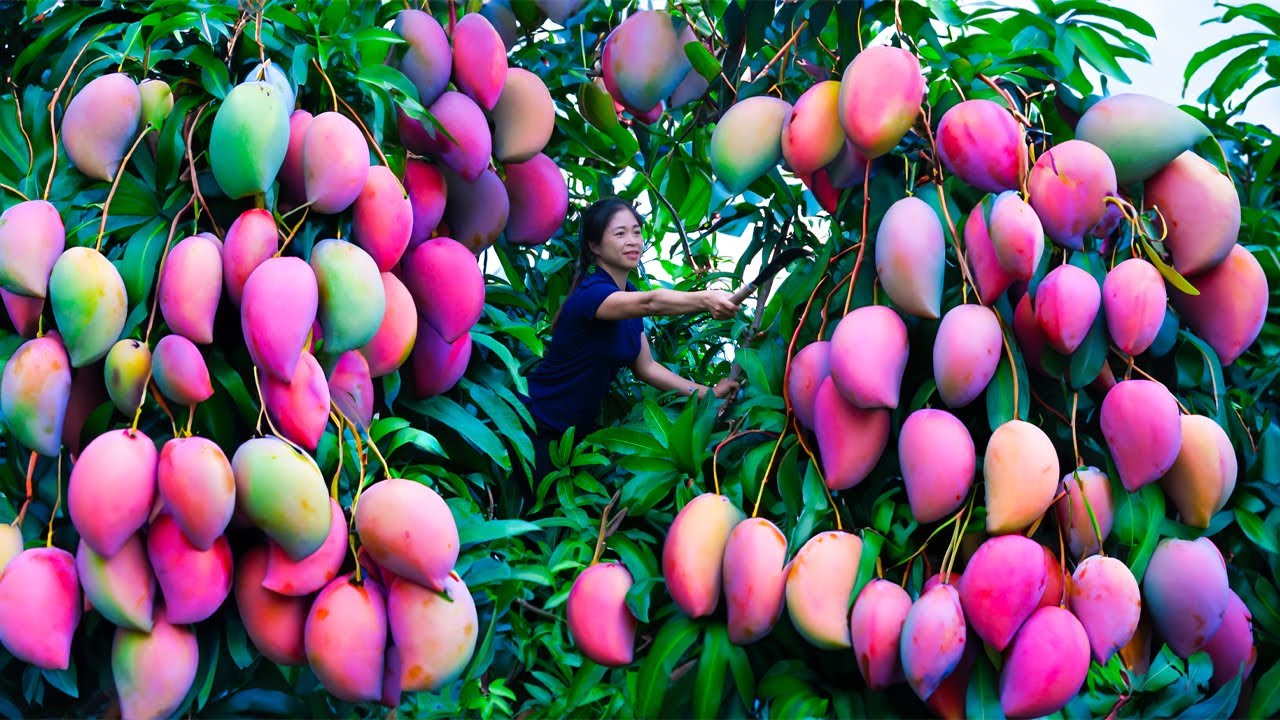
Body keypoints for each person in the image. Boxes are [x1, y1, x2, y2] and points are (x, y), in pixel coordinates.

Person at [518, 196, 742, 511]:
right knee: (532, 528)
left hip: (569, 439)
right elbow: (651, 303)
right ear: (595, 246)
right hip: (535, 425)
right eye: (620, 233)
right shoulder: (592, 294)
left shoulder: (628, 298)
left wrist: (709, 394)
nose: (632, 241)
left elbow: (647, 367)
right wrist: (707, 299)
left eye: (636, 232)